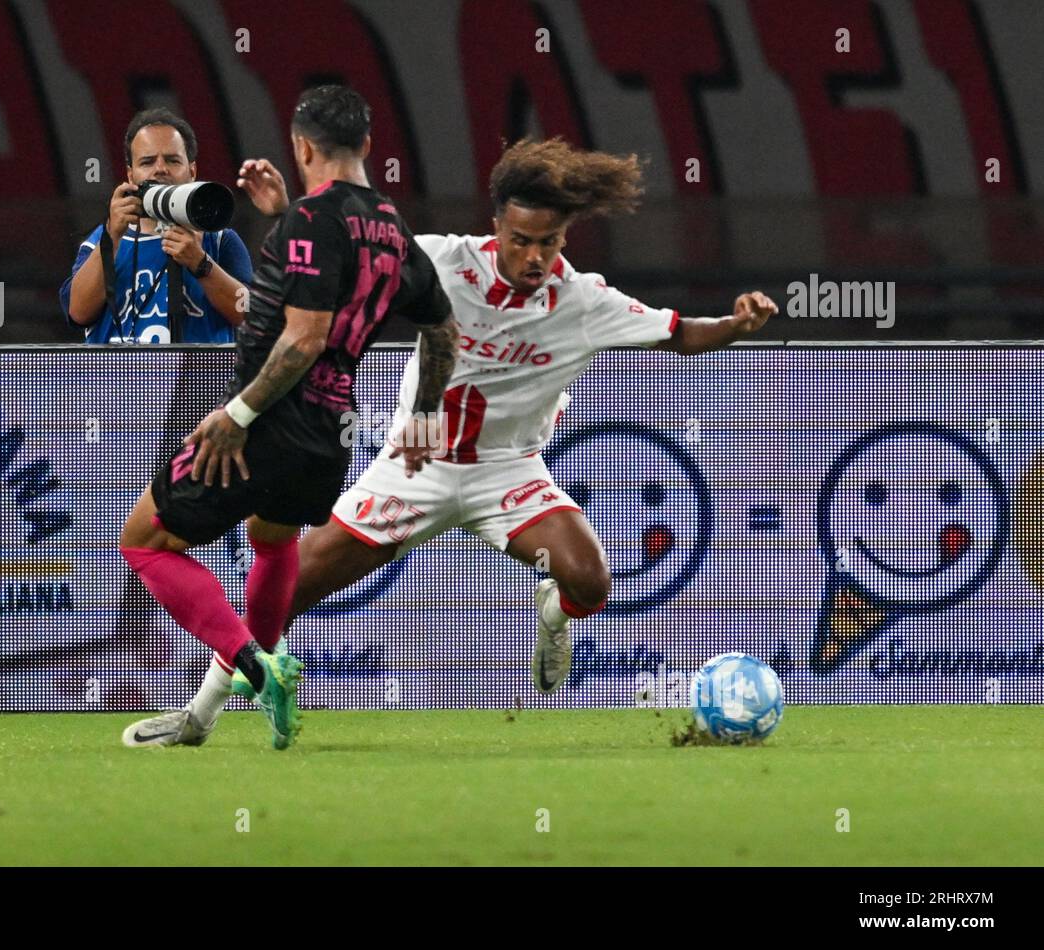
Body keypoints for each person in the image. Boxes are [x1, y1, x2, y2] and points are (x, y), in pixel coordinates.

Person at [168, 138, 779, 744]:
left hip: (506, 473)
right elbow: (343, 253)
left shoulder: (585, 301)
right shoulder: (442, 261)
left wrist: (736, 323)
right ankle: (199, 717)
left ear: (565, 239)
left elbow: (682, 335)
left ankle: (553, 616)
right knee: (286, 594)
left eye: (549, 242)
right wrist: (284, 211)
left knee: (588, 579)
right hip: (414, 472)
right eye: (521, 240)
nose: (534, 255)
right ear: (497, 228)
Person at [117, 86, 459, 750]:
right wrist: (423, 418)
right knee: (272, 543)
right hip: (330, 438)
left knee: (143, 542)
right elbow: (442, 331)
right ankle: (236, 710)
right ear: (366, 146)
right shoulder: (391, 227)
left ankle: (255, 664)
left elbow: (302, 337)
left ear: (301, 146)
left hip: (268, 426)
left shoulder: (311, 221)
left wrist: (237, 415)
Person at [60, 107, 252, 342]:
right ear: (131, 175)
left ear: (192, 171)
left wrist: (201, 264)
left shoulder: (219, 239)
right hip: (119, 379)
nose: (160, 169)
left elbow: (251, 315)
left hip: (199, 379)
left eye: (172, 160)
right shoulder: (104, 239)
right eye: (147, 162)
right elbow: (78, 313)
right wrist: (111, 238)